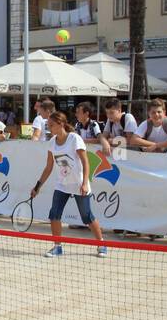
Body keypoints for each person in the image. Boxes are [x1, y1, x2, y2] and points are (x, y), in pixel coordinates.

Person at [30, 111, 108, 259]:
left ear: (60, 124)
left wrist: (85, 183)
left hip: (79, 184)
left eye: (51, 125)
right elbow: (48, 167)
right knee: (54, 214)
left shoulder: (74, 139)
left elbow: (86, 162)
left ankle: (101, 244)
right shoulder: (51, 142)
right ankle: (57, 246)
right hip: (62, 184)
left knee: (87, 217)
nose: (49, 128)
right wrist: (37, 186)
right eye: (48, 126)